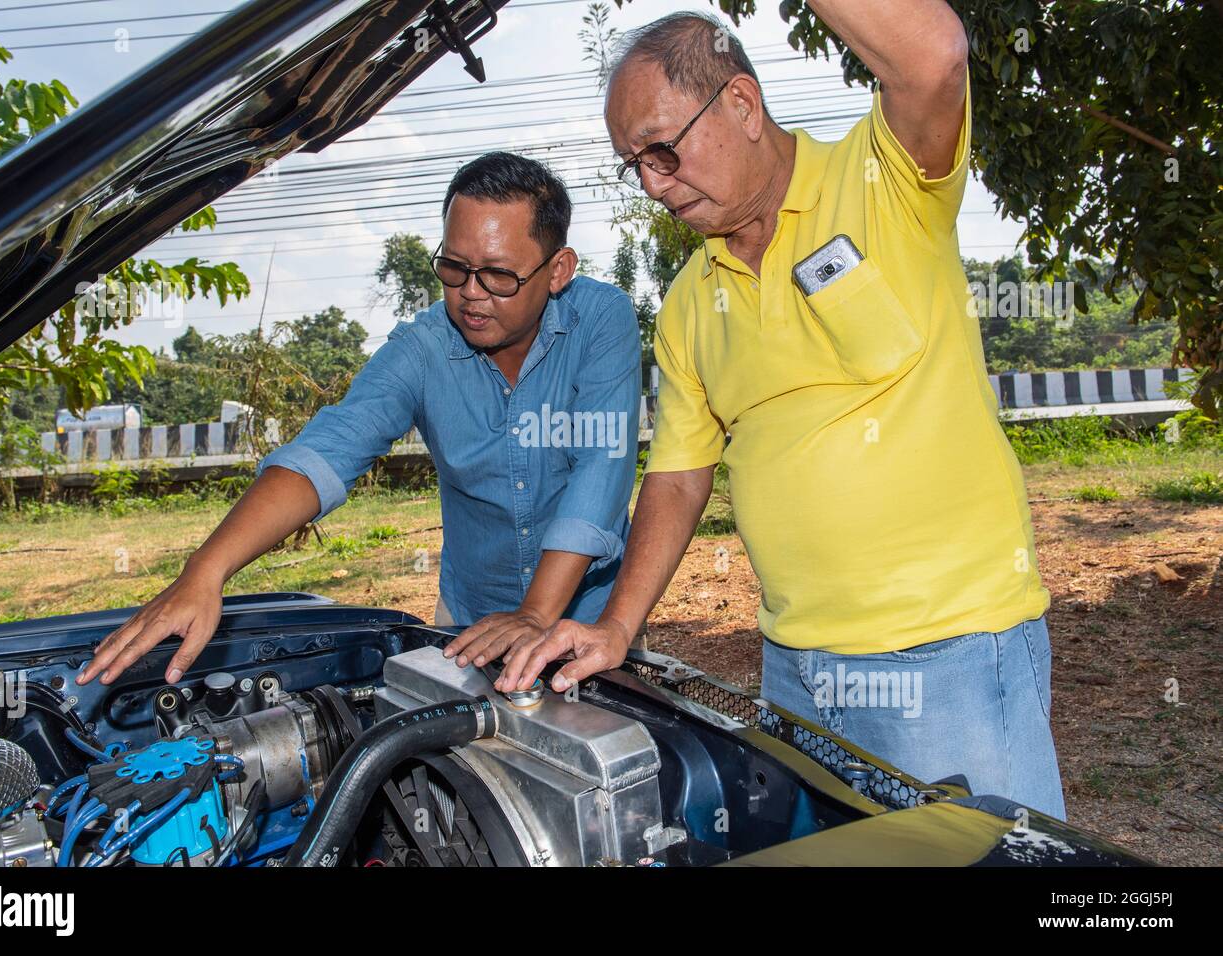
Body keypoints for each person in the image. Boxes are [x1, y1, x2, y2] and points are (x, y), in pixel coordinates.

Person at [493, 6, 1067, 819]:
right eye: (635, 166)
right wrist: (618, 625)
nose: (654, 183)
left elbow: (935, 57)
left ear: (742, 104)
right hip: (796, 669)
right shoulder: (692, 300)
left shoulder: (886, 178)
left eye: (664, 149)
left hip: (952, 657)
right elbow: (679, 478)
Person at [77, 151, 641, 688]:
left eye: (498, 275)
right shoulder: (421, 348)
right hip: (472, 621)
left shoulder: (602, 321)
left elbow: (601, 470)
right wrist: (207, 569)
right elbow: (331, 447)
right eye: (454, 267)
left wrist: (539, 613)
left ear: (558, 269)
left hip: (585, 617)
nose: (470, 294)